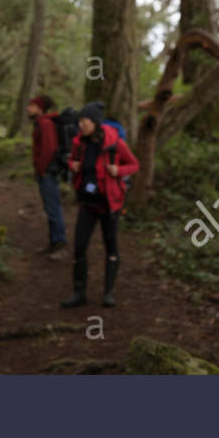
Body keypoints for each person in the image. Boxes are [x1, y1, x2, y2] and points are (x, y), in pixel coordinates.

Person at [60, 101, 139, 308]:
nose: (81, 126)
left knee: (111, 247)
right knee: (79, 247)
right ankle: (79, 293)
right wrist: (72, 165)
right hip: (87, 204)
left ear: (95, 122)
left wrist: (118, 171)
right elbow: (72, 161)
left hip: (109, 205)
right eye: (80, 122)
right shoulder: (79, 142)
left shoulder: (115, 143)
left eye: (84, 122)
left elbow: (134, 164)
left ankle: (109, 293)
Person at [26, 94, 68, 257]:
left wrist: (41, 170)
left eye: (32, 105)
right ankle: (53, 242)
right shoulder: (41, 123)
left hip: (48, 173)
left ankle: (60, 244)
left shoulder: (45, 123)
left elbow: (49, 149)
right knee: (50, 207)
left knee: (53, 207)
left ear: (39, 108)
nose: (28, 108)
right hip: (46, 173)